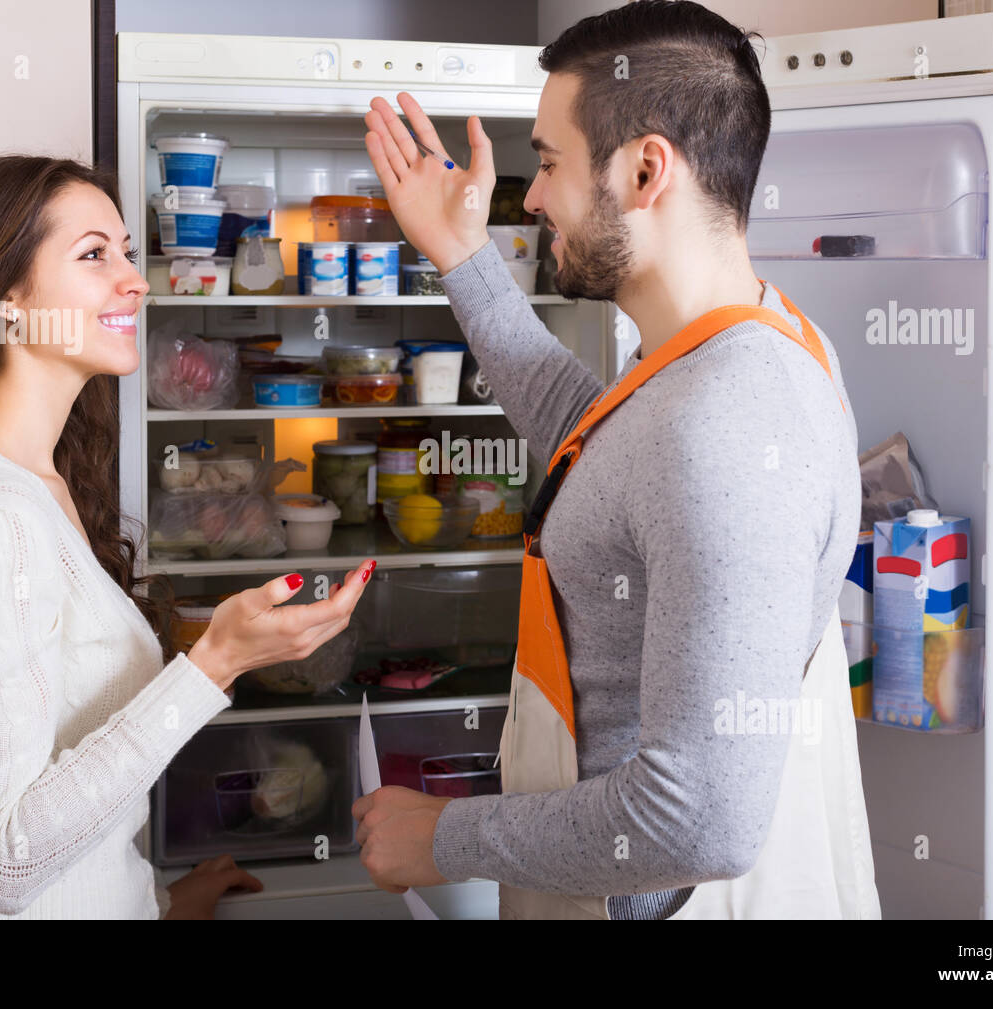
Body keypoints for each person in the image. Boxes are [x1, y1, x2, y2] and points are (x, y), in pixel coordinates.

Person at [352, 0, 880, 919]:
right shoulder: (744, 344)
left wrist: (442, 837)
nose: (532, 195)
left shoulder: (726, 422)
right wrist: (461, 254)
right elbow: (598, 447)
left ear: (644, 169)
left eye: (549, 162)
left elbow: (700, 819)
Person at [0, 155, 375, 919]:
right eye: (93, 254)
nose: (134, 281)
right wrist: (215, 663)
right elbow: (4, 863)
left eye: (128, 254)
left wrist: (158, 900)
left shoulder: (36, 485)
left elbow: (62, 792)